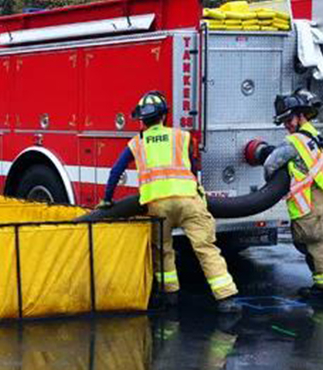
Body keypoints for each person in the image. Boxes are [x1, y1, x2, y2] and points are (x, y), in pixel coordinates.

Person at [100, 91, 239, 312]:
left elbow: (116, 171)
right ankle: (226, 298)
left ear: (142, 120)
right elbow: (193, 168)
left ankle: (170, 295)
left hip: (158, 205)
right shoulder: (181, 137)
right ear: (164, 116)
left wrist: (106, 200)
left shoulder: (137, 143)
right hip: (188, 200)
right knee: (205, 248)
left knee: (163, 249)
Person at [264, 89, 323, 300]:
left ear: (301, 115)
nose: (287, 125)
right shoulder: (316, 136)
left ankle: (321, 288)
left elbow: (271, 164)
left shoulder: (294, 142)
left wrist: (271, 183)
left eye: (289, 119)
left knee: (314, 244)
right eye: (284, 122)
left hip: (309, 205)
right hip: (319, 198)